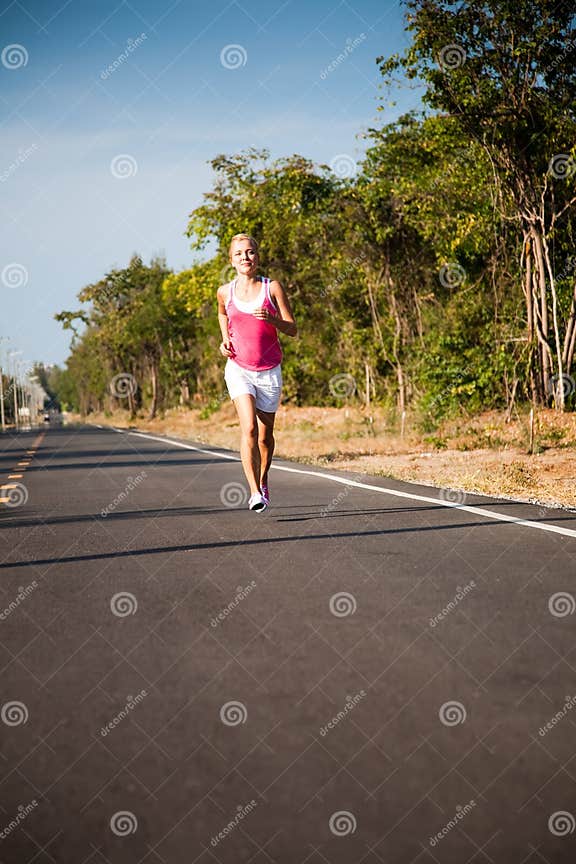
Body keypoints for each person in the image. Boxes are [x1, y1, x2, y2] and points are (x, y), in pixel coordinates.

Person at [217, 234, 297, 511]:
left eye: (250, 253)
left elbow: (293, 328)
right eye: (239, 254)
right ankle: (253, 493)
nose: (245, 258)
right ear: (232, 260)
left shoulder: (271, 288)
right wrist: (225, 339)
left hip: (269, 371)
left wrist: (272, 319)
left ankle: (263, 480)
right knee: (249, 427)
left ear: (257, 257)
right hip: (239, 368)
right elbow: (222, 314)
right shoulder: (224, 292)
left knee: (265, 436)